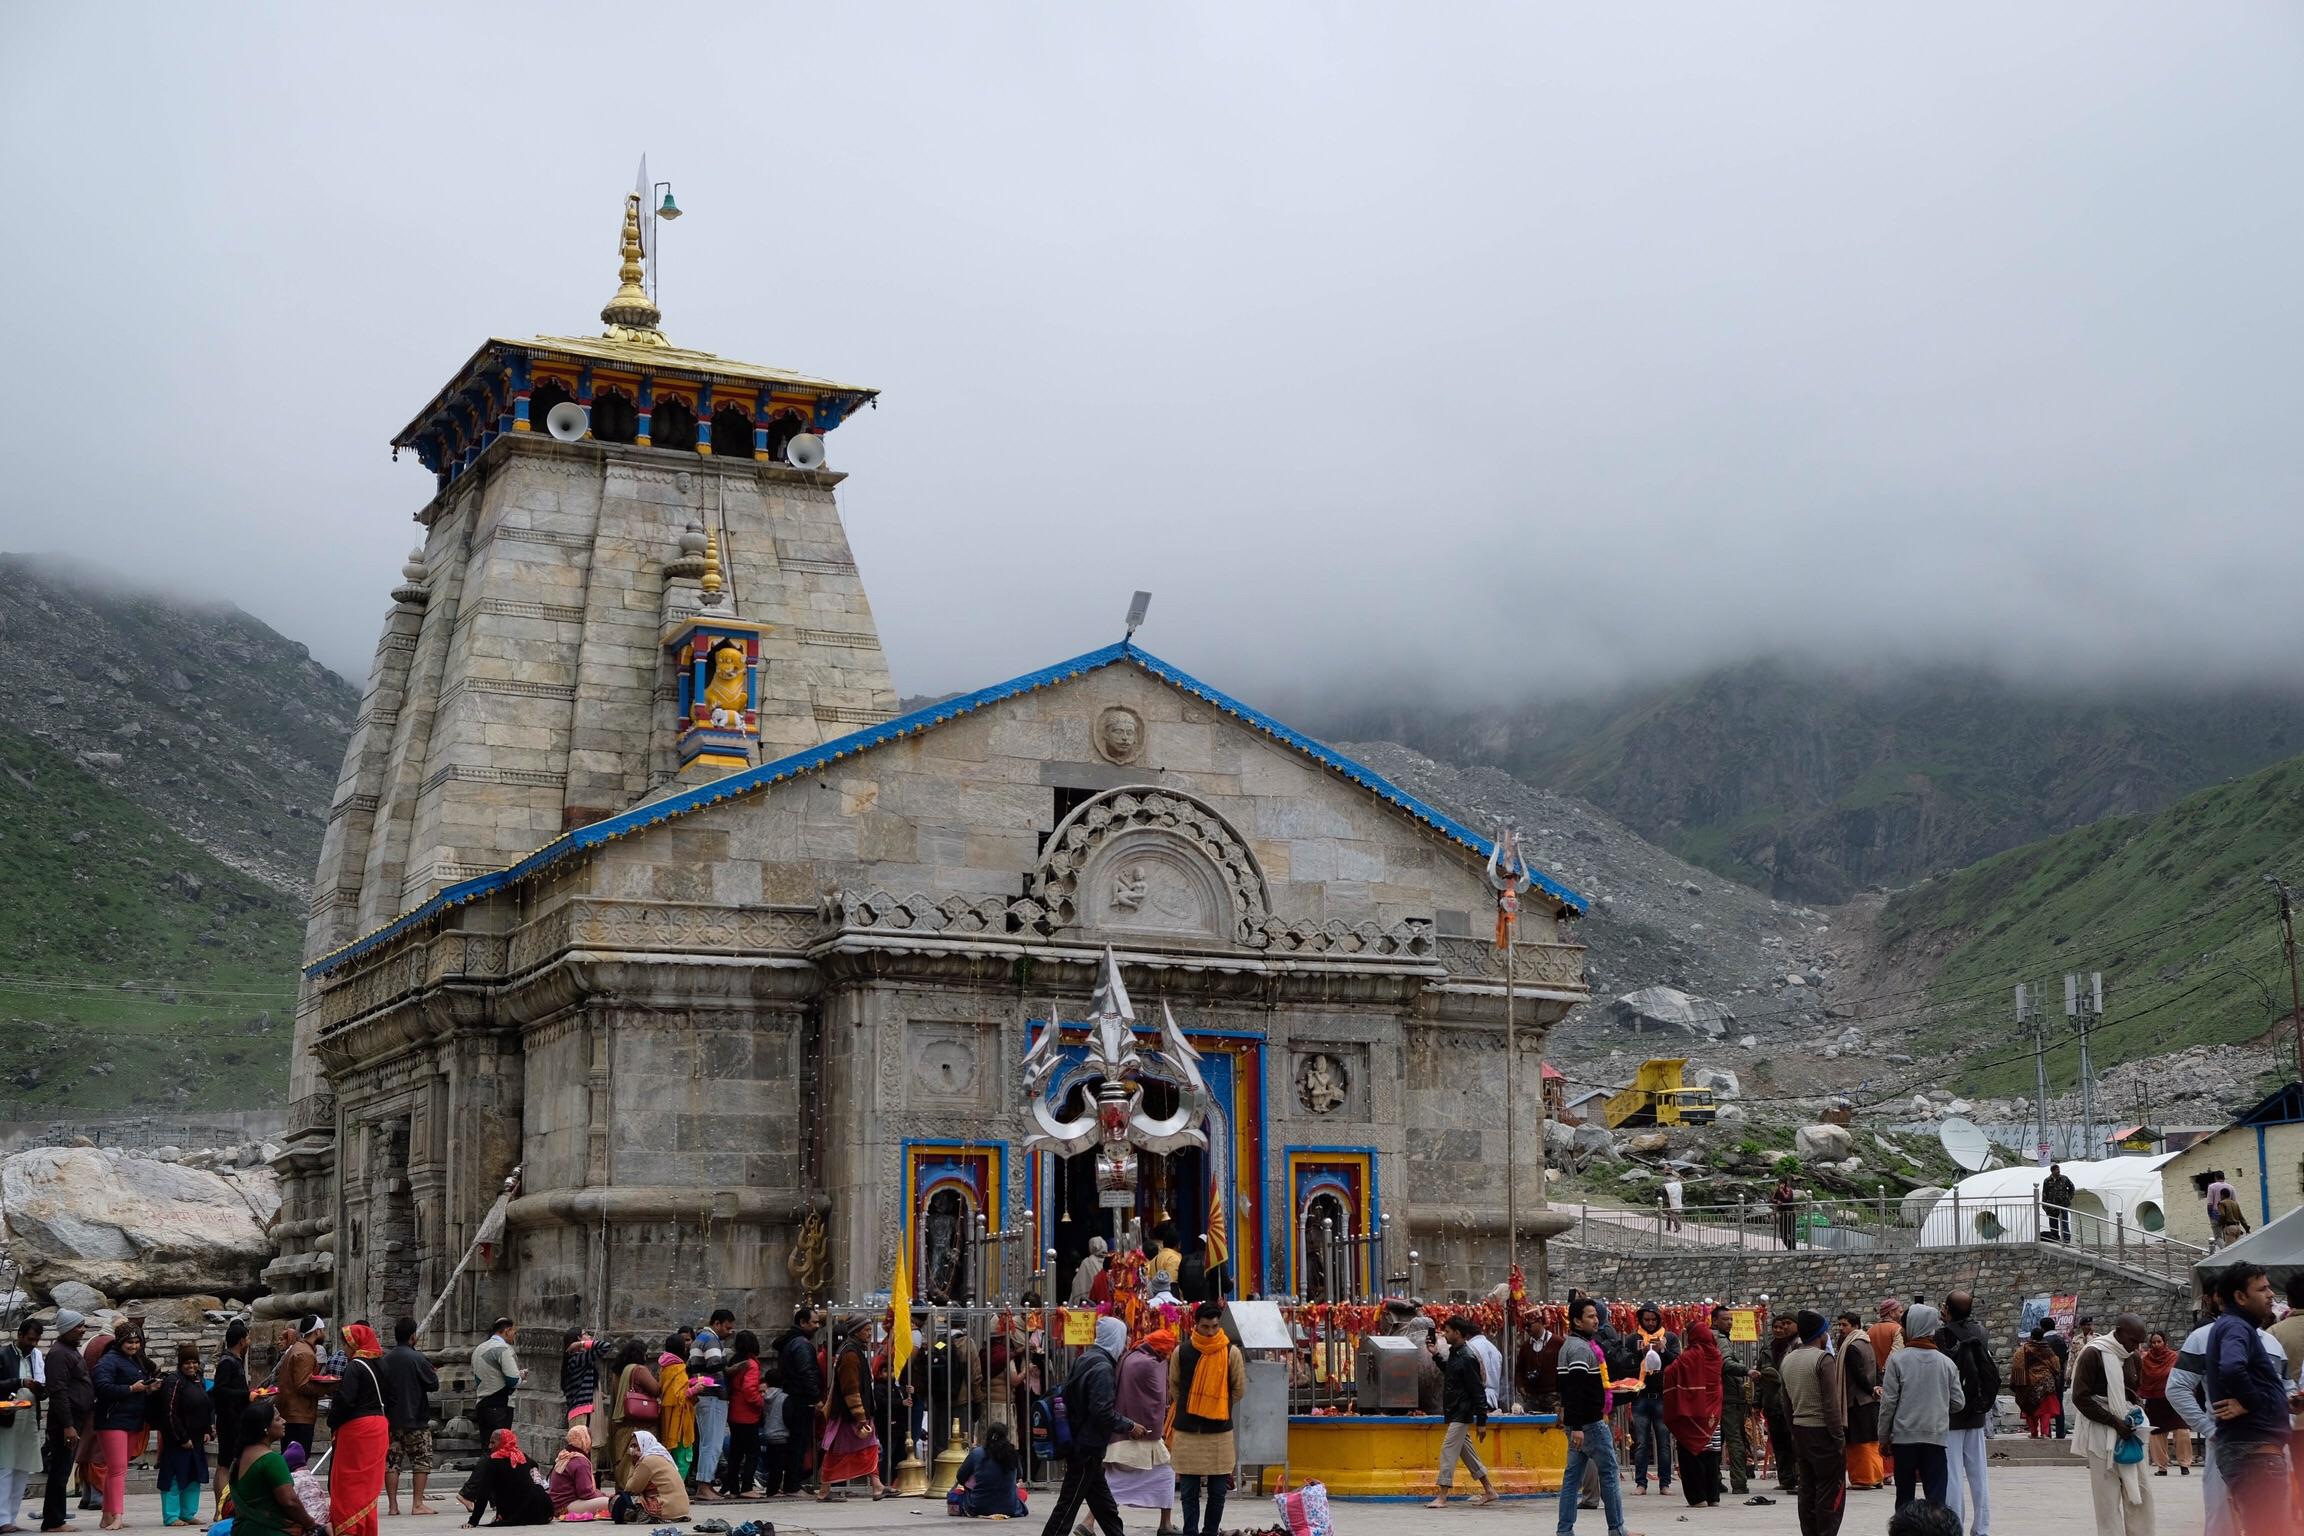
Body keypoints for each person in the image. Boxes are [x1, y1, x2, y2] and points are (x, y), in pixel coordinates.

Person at [2206, 1265, 2298, 1536]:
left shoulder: (2236, 1327)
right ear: (2240, 1297)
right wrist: (2255, 1403)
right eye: (2262, 1289)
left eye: (2269, 1287)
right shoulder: (2236, 1327)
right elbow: (2232, 1368)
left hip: (2254, 1451)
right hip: (2256, 1454)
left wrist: (2281, 1402)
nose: (2271, 1294)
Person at [1039, 1317, 1148, 1536]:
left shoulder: (1086, 1358)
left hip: (1083, 1443)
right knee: (1068, 1506)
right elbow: (1102, 1411)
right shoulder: (1103, 1368)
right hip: (1086, 1448)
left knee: (1105, 1507)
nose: (1126, 1342)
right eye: (1124, 1336)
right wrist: (1129, 1426)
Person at [1554, 1297, 1636, 1536]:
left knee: (1572, 1478)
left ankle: (1564, 1530)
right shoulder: (1579, 1349)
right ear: (1577, 1321)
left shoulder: (1570, 1346)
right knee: (1609, 1473)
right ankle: (1617, 1528)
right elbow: (1576, 1389)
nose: (1595, 1319)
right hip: (1589, 1423)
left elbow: (1566, 1389)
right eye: (1590, 1316)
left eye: (1596, 1315)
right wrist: (1578, 1425)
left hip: (1579, 1422)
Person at [2070, 1312, 2152, 1535]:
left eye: (2139, 1342)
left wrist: (2136, 1411)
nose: (2136, 1346)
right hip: (2101, 1432)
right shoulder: (2093, 1353)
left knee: (2140, 1494)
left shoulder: (2133, 1356)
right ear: (2118, 1332)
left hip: (2129, 1431)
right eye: (2133, 1340)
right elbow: (2080, 1397)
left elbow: (2134, 1392)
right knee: (2107, 1499)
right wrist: (2114, 1422)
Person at [1168, 1302, 1245, 1536]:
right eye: (1205, 1327)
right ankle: (1190, 1532)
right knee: (1189, 1492)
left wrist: (1215, 1405)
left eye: (1214, 1326)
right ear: (1196, 1326)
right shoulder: (1181, 1352)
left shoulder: (1231, 1352)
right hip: (1188, 1432)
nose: (1210, 1332)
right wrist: (1196, 1406)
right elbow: (1175, 1388)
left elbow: (1238, 1389)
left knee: (1218, 1492)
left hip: (1219, 1432)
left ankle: (1210, 1532)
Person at [1879, 1303, 1962, 1510]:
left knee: (1904, 1497)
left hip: (1904, 1440)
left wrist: (1883, 1437)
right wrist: (1937, 1406)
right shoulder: (1946, 1363)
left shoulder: (1897, 1361)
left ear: (1913, 1327)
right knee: (1936, 1499)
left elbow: (1888, 1403)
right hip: (1935, 1438)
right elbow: (1958, 1403)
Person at [2168, 1288, 2233, 1536]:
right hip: (2224, 1436)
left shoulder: (2268, 1340)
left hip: (2266, 1442)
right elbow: (2176, 1388)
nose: (2270, 1295)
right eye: (2262, 1289)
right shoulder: (2203, 1337)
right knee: (2222, 1514)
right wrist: (2209, 1428)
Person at [1937, 1288, 1999, 1535]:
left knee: (1952, 1475)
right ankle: (1982, 1527)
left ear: (1948, 1310)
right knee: (1979, 1475)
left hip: (1951, 1413)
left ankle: (1956, 1525)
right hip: (1976, 1411)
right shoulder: (1981, 1332)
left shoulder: (1942, 1335)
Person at [1779, 1310, 1846, 1536]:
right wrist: (1838, 1439)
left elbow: (1786, 1404)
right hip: (1822, 1432)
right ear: (1821, 1334)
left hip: (1800, 1431)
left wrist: (1793, 1431)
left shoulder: (1787, 1360)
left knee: (1806, 1490)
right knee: (1830, 1491)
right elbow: (1830, 1404)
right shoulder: (1823, 1359)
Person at [1103, 1329, 1174, 1532]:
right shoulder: (1148, 1363)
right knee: (1163, 1475)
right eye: (1166, 1352)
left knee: (1114, 1484)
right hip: (1138, 1434)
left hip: (1125, 1432)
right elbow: (1156, 1397)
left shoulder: (1131, 1356)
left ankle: (1165, 1524)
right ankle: (1088, 1522)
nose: (1167, 1356)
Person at [1427, 1316, 1499, 1509]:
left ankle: (1442, 1495)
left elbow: (1478, 1391)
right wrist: (1435, 1355)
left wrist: (1482, 1421)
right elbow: (1451, 1373)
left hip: (1462, 1411)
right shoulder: (1456, 1354)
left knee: (1447, 1450)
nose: (1445, 1335)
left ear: (1458, 1333)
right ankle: (1489, 1490)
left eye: (1448, 1331)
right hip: (1455, 1411)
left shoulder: (1467, 1357)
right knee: (1467, 1453)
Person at [324, 1323, 389, 1536]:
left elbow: (345, 1400)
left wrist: (332, 1420)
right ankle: (365, 1527)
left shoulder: (355, 1366)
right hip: (379, 1425)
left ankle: (349, 1528)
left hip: (358, 1428)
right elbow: (393, 1397)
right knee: (367, 1484)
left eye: (346, 1342)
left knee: (347, 1482)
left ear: (355, 1343)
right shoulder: (381, 1364)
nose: (344, 1348)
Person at [817, 1317, 889, 1501]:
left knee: (870, 1447)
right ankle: (824, 1491)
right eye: (866, 1330)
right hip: (848, 1415)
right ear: (856, 1331)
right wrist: (859, 1415)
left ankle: (877, 1485)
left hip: (856, 1413)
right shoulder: (850, 1354)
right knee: (836, 1452)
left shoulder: (856, 1351)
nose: (869, 1333)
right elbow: (850, 1388)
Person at [91, 1329, 155, 1531]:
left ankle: (107, 1516)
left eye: (137, 1342)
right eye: (130, 1342)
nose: (134, 1346)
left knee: (116, 1470)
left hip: (131, 1420)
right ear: (120, 1342)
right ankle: (117, 1516)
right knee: (118, 1470)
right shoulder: (108, 1361)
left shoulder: (135, 1360)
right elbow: (101, 1387)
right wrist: (131, 1389)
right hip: (112, 1421)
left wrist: (148, 1388)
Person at [379, 1316, 439, 1518]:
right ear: (413, 1336)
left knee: (392, 1462)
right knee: (421, 1460)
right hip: (416, 1419)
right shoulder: (418, 1359)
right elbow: (433, 1384)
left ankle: (393, 1505)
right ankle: (417, 1503)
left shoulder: (385, 1360)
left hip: (391, 1420)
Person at [38, 1313, 92, 1536]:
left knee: (64, 1470)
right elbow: (59, 1392)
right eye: (78, 1326)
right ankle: (53, 1520)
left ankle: (55, 1518)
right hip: (65, 1422)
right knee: (60, 1472)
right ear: (67, 1329)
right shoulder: (59, 1355)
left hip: (75, 1419)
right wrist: (68, 1426)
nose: (83, 1330)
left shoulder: (69, 1351)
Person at [229, 1404, 319, 1536]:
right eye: (277, 1419)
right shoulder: (271, 1460)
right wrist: (311, 1524)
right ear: (265, 1427)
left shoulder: (238, 1459)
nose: (284, 1421)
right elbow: (290, 1502)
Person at [1662, 1319, 1725, 1508]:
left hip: (1692, 1413)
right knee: (1712, 1454)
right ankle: (1713, 1496)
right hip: (1713, 1414)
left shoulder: (1689, 1356)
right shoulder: (1717, 1355)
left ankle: (1698, 1498)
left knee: (1692, 1454)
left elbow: (1670, 1371)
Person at [154, 1344, 213, 1529]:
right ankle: (171, 1516)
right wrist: (181, 1437)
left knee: (193, 1477)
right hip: (177, 1440)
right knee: (174, 1479)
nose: (191, 1366)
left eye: (194, 1362)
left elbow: (206, 1407)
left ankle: (188, 1513)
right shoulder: (174, 1382)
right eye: (187, 1362)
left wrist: (207, 1431)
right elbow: (169, 1413)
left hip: (196, 1439)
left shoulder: (198, 1380)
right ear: (180, 1363)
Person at [1627, 1304, 1678, 1496]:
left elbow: (1677, 1362)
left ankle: (1665, 1483)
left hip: (1663, 1397)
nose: (1649, 1323)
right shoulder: (1634, 1339)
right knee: (1641, 1443)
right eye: (1646, 1320)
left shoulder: (1670, 1338)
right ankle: (1641, 1483)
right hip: (1640, 1397)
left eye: (1653, 1320)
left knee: (1664, 1443)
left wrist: (1663, 1350)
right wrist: (1641, 1354)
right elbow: (1626, 1363)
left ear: (1659, 1320)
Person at [0, 1317, 45, 1533]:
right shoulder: (4, 1355)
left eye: (36, 1340)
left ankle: (12, 1518)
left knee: (21, 1469)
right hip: (8, 1418)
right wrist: (20, 1383)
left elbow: (42, 1387)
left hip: (28, 1418)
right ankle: (2, 1520)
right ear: (19, 1336)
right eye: (30, 1339)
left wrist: (39, 1389)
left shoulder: (36, 1357)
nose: (33, 1344)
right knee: (5, 1468)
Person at [1832, 1314, 1883, 1491]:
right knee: (1871, 1440)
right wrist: (1876, 1388)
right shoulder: (1866, 1342)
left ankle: (1864, 1478)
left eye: (1844, 1325)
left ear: (1855, 1326)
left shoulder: (1852, 1346)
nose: (1840, 1328)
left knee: (1858, 1441)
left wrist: (1870, 1389)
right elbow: (1876, 1368)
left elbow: (1858, 1375)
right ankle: (1876, 1476)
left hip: (1857, 1401)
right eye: (1839, 1324)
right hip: (1869, 1400)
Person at [777, 1307, 824, 1499]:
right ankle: (793, 1485)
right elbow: (807, 1372)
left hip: (794, 1397)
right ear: (803, 1322)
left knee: (797, 1443)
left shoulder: (792, 1342)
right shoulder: (801, 1345)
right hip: (800, 1399)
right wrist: (816, 1397)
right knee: (798, 1443)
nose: (817, 1326)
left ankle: (791, 1483)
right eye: (814, 1322)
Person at [208, 1320, 251, 1521]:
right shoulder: (228, 1362)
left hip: (236, 1419)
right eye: (248, 1337)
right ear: (242, 1340)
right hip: (228, 1420)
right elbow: (220, 1391)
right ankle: (221, 1509)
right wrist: (245, 1396)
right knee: (225, 1464)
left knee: (231, 1463)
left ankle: (228, 1506)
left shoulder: (234, 1360)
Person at [464, 1429, 552, 1527]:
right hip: (543, 1511)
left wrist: (473, 1521)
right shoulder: (521, 1455)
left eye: (493, 1442)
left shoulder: (493, 1461)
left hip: (517, 1513)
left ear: (502, 1442)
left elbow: (483, 1493)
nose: (490, 1446)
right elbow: (534, 1465)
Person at [716, 1331, 765, 1499]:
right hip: (748, 1414)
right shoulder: (751, 1364)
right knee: (752, 1452)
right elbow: (750, 1391)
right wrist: (761, 1402)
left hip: (734, 1412)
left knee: (736, 1452)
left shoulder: (734, 1362)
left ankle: (733, 1487)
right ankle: (746, 1486)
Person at [1707, 1306, 1751, 1497]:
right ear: (1715, 1321)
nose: (1730, 1323)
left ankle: (1714, 1480)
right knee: (1735, 1441)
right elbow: (1725, 1363)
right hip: (1728, 1397)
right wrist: (1747, 1370)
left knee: (1716, 1441)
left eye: (1731, 1319)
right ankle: (1739, 1482)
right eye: (1726, 1319)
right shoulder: (1721, 1339)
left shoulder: (1711, 1338)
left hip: (1717, 1396)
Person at [1757, 1313, 1801, 1495]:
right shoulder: (1767, 1350)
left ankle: (1798, 1478)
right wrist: (1757, 1401)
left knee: (1794, 1442)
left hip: (1789, 1401)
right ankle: (1786, 1479)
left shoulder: (1796, 1347)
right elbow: (1759, 1377)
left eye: (1785, 1325)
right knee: (1779, 1443)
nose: (1780, 1329)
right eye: (1777, 1326)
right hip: (1771, 1402)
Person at [604, 1338, 659, 1482]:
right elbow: (656, 1389)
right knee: (635, 1460)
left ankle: (623, 1492)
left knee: (623, 1461)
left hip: (620, 1425)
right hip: (637, 1424)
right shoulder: (639, 1370)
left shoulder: (618, 1372)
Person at [948, 1421, 1028, 1518]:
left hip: (978, 1506)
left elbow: (960, 1477)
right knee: (1022, 1493)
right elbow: (1019, 1476)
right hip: (1010, 1508)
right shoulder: (1012, 1453)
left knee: (958, 1494)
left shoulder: (977, 1453)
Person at [2136, 1330, 2188, 1478]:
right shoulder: (2146, 1360)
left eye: (2159, 1341)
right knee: (2157, 1434)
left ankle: (2184, 1464)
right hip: (2154, 1399)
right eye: (2153, 1342)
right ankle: (2161, 1466)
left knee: (2181, 1431)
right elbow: (2143, 1378)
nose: (2156, 1345)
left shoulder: (2173, 1357)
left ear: (2165, 1342)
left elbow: (2179, 1376)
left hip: (2173, 1398)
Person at [273, 1317, 322, 1455]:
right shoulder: (305, 1353)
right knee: (296, 1462)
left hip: (294, 1413)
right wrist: (328, 1387)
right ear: (317, 1331)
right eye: (322, 1330)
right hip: (299, 1416)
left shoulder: (299, 1348)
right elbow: (303, 1385)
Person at [652, 1335, 697, 1484]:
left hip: (669, 1417)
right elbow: (680, 1397)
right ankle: (676, 1490)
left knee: (672, 1456)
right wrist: (696, 1389)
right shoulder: (678, 1367)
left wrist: (690, 1383)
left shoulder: (665, 1366)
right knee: (684, 1457)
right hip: (680, 1422)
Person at [689, 1342, 730, 1499]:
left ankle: (706, 1484)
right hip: (712, 1397)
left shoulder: (699, 1341)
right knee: (711, 1444)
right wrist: (728, 1364)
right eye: (727, 1327)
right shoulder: (709, 1340)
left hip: (708, 1398)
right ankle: (704, 1485)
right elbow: (713, 1364)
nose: (730, 1331)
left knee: (711, 1444)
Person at [618, 1429, 689, 1521]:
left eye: (636, 1446)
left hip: (666, 1509)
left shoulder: (647, 1461)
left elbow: (630, 1488)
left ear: (644, 1444)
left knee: (618, 1502)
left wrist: (633, 1463)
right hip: (681, 1510)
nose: (632, 1450)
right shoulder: (662, 1455)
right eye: (631, 1446)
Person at [470, 1318, 520, 1441]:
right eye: (514, 1331)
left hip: (482, 1404)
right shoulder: (504, 1348)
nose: (515, 1335)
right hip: (500, 1405)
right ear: (507, 1330)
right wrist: (521, 1377)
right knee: (501, 1449)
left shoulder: (478, 1349)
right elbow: (512, 1380)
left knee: (487, 1447)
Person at [547, 1425, 609, 1519]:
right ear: (585, 1440)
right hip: (566, 1506)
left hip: (556, 1504)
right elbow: (586, 1494)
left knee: (607, 1499)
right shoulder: (580, 1461)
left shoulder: (565, 1454)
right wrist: (604, 1495)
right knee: (609, 1502)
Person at [2011, 1323, 2060, 1438]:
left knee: (2029, 1408)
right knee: (2045, 1409)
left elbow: (2017, 1366)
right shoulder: (2048, 1350)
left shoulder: (2022, 1350)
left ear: (2031, 1337)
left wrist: (2017, 1384)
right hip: (2046, 1383)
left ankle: (2033, 1433)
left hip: (2029, 1383)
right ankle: (2045, 1433)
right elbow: (2056, 1365)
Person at [558, 1328, 603, 1445]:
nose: (589, 1336)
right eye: (585, 1334)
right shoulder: (577, 1358)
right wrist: (581, 1344)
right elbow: (604, 1346)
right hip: (580, 1411)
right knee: (580, 1446)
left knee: (582, 1446)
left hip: (581, 1411)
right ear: (578, 1338)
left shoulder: (577, 1358)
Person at [2042, 1164, 2077, 1243]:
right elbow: (2045, 1193)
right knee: (2053, 1223)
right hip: (2051, 1206)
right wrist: (2045, 1206)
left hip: (2063, 1205)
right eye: (2056, 1170)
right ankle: (2055, 1238)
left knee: (2064, 1222)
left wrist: (2069, 1198)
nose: (2058, 1172)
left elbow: (2072, 1188)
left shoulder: (2064, 1179)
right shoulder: (2047, 1181)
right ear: (2052, 1171)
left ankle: (2066, 1238)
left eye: (2059, 1170)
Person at [1070, 1237, 1109, 1306]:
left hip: (1090, 1301)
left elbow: (1077, 1284)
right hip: (1104, 1301)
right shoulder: (1109, 1261)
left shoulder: (1087, 1262)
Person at [1772, 1176, 1800, 1250]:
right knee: (1783, 1234)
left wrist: (1781, 1192)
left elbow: (1786, 1199)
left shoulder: (1789, 1190)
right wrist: (1777, 1201)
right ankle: (1790, 1248)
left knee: (1791, 1233)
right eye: (1779, 1183)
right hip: (1783, 1214)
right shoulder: (1777, 1190)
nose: (1780, 1185)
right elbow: (1772, 1199)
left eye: (1781, 1183)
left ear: (1784, 1184)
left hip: (1790, 1214)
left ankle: (1793, 1248)